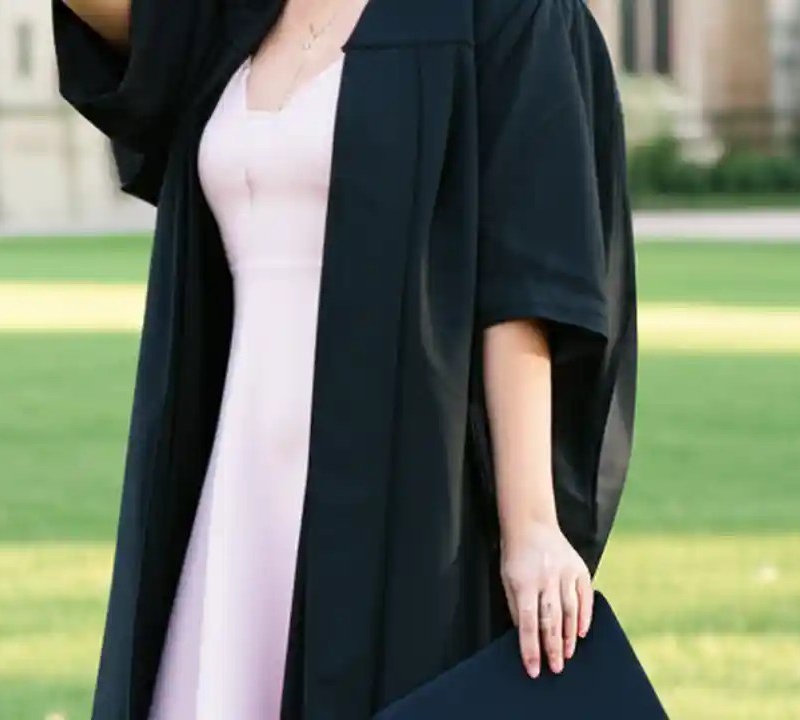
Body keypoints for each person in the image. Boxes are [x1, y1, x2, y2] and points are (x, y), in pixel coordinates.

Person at [53, 0, 638, 718]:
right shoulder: (236, 13)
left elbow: (524, 280)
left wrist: (533, 526)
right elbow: (126, 31)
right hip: (237, 471)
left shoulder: (503, 12)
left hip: (403, 466)